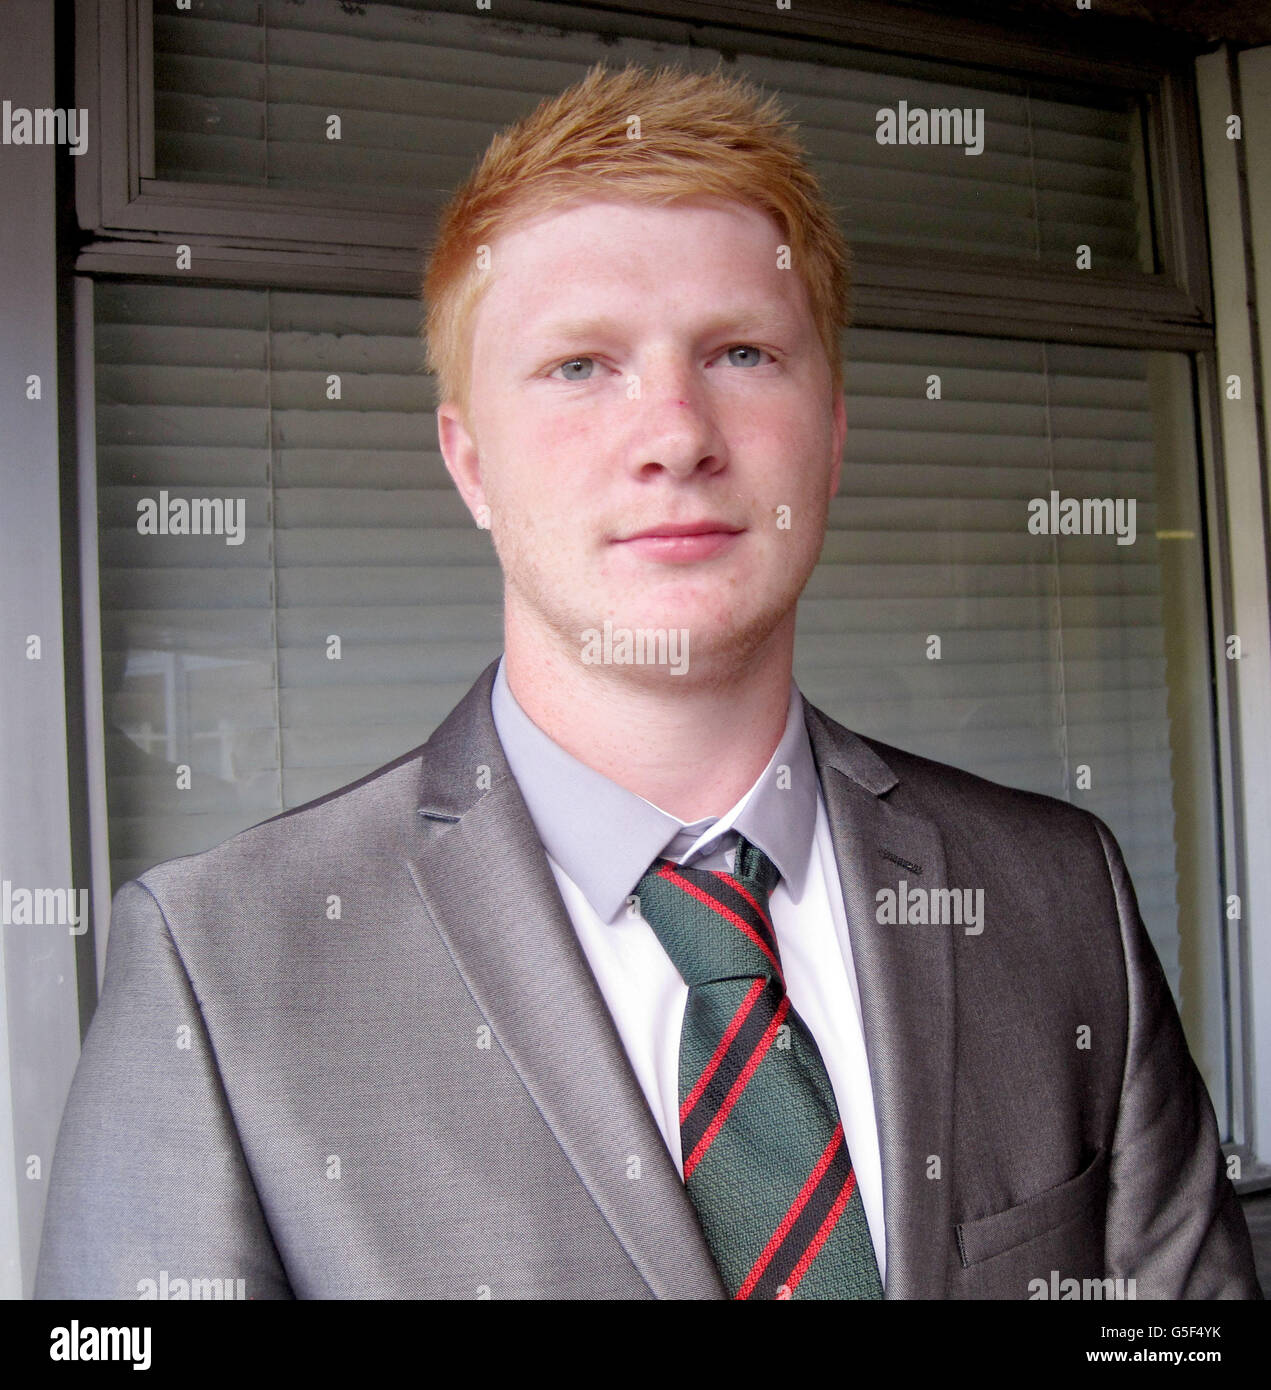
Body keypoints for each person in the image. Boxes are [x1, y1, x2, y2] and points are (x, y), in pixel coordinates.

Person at [36, 62, 1258, 1301]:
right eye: (579, 366)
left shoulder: (1056, 896)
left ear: (831, 436)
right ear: (470, 464)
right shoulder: (226, 968)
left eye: (740, 351)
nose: (675, 432)